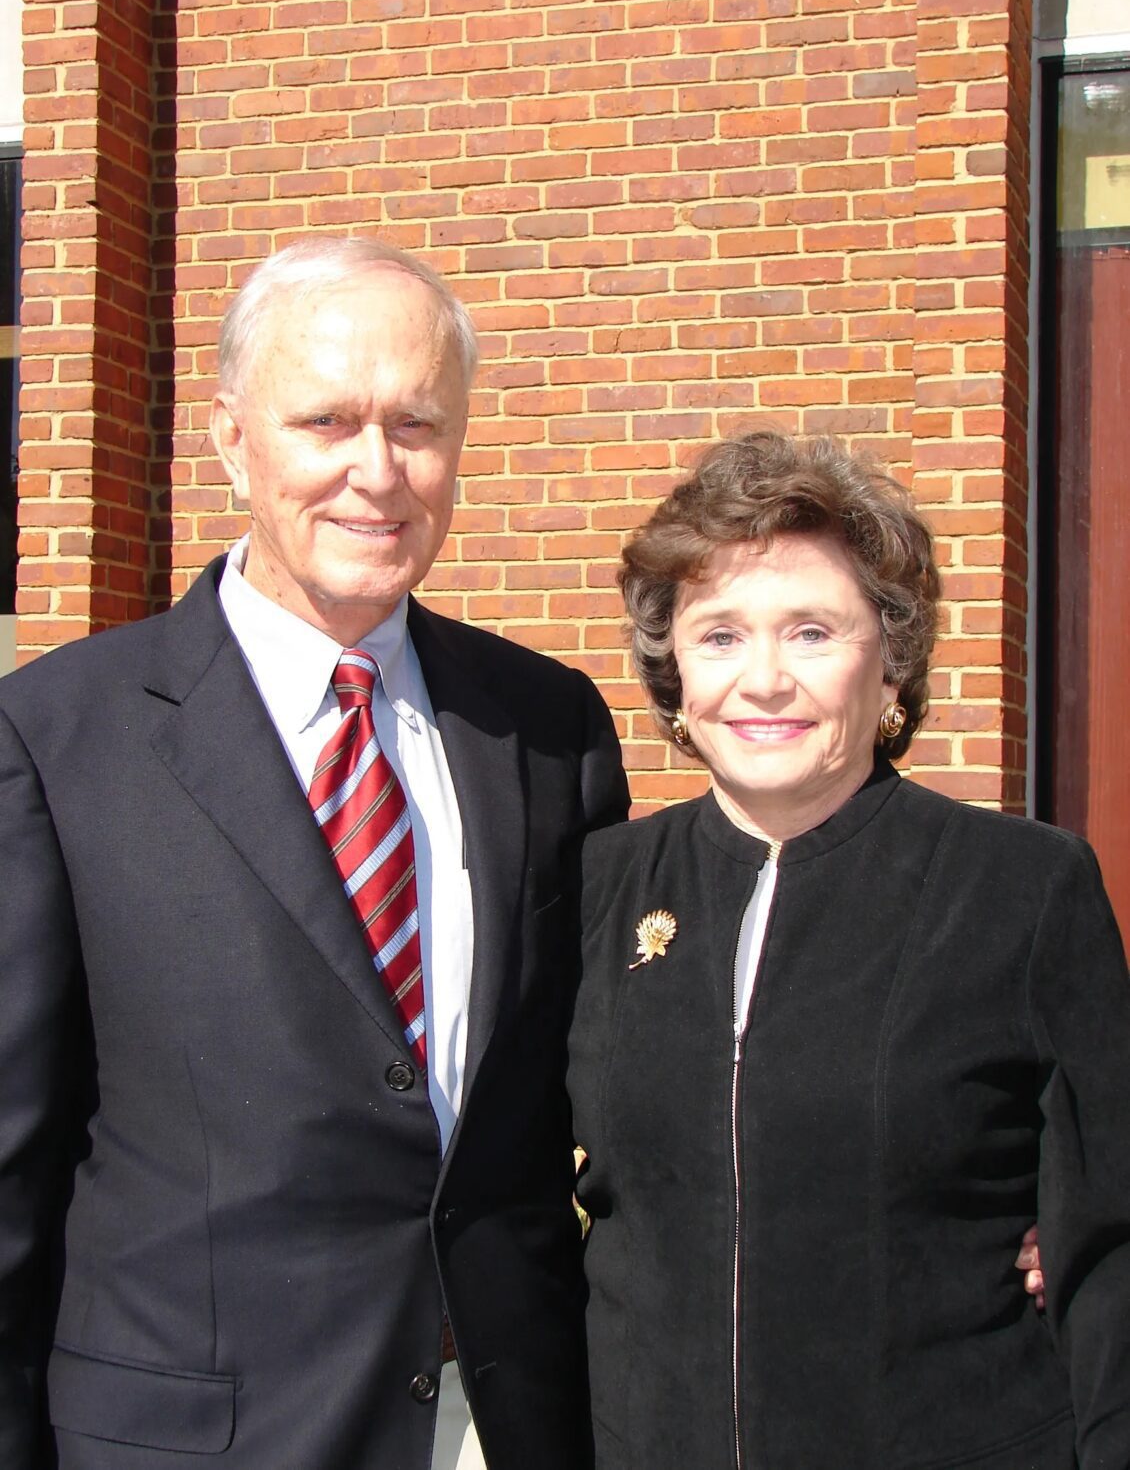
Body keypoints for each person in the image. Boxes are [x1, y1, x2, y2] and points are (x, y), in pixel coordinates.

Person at [0, 236, 629, 1469]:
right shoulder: (58, 737)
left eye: (418, 424)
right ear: (233, 440)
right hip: (194, 1438)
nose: (376, 472)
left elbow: (617, 1073)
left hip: (498, 1424)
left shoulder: (546, 726)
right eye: (327, 420)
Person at [568, 432, 1130, 1470]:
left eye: (812, 631)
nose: (764, 679)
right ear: (675, 670)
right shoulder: (598, 889)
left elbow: (1107, 1247)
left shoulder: (1020, 889)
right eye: (721, 634)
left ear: (890, 660)